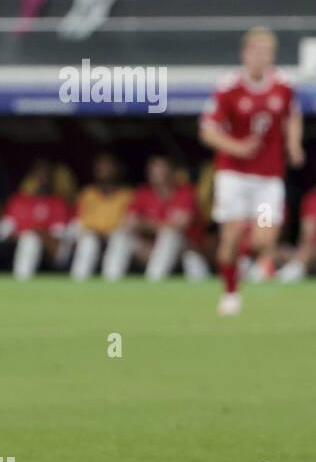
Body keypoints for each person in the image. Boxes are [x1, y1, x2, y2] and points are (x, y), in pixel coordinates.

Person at [199, 27, 304, 314]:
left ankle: (244, 244)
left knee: (264, 238)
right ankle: (231, 293)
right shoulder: (229, 87)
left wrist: (293, 144)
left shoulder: (283, 85)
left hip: (268, 178)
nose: (261, 58)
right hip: (233, 175)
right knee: (229, 235)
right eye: (256, 51)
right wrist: (236, 147)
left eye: (266, 52)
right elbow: (207, 131)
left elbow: (292, 116)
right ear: (245, 54)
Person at [104, 156, 208, 281]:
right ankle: (111, 280)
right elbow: (129, 223)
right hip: (149, 248)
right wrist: (159, 226)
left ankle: (154, 281)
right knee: (120, 235)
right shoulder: (143, 193)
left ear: (173, 171)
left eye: (163, 169)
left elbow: (180, 225)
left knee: (170, 235)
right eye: (154, 170)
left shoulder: (186, 192)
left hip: (185, 249)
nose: (159, 174)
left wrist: (145, 224)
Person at [0, 161, 71, 280]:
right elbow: (0, 235)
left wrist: (38, 232)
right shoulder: (18, 201)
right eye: (39, 175)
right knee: (28, 238)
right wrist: (22, 234)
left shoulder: (58, 204)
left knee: (31, 239)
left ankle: (22, 281)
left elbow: (58, 245)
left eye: (46, 176)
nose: (42, 180)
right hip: (15, 250)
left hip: (48, 254)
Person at [69, 153, 133, 280]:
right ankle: (78, 281)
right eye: (101, 166)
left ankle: (112, 281)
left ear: (117, 169)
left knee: (120, 238)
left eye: (108, 166)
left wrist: (106, 233)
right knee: (88, 241)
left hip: (116, 236)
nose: (105, 169)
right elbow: (78, 222)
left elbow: (130, 222)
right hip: (90, 235)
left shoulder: (128, 195)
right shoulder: (87, 194)